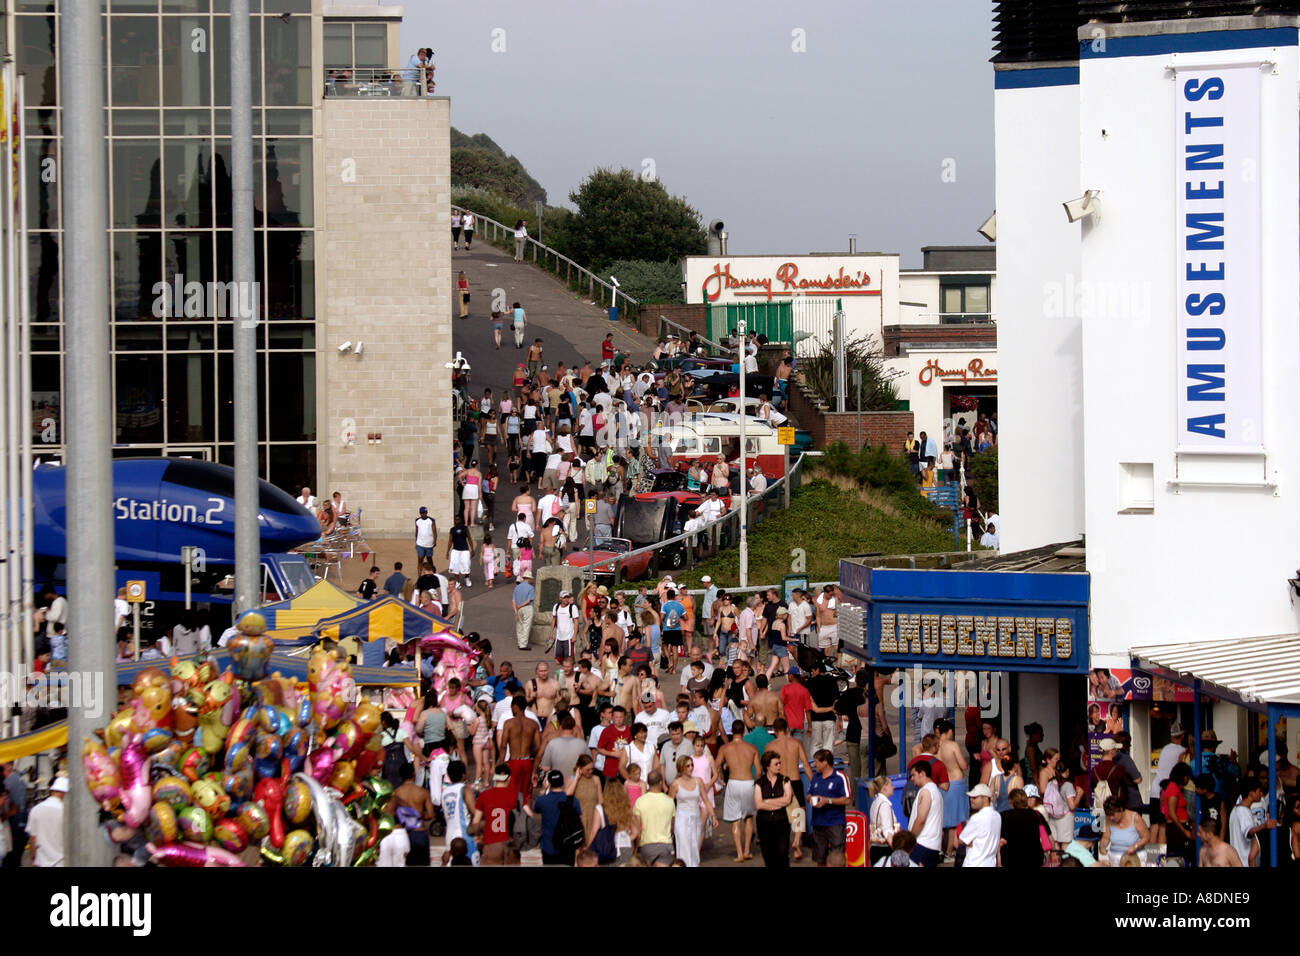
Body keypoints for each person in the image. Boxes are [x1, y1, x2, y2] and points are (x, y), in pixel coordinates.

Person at [718, 720, 760, 861]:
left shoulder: (725, 748)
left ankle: (739, 853)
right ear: (743, 731)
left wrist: (720, 780)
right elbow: (759, 772)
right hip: (748, 782)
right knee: (748, 819)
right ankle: (747, 850)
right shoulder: (752, 748)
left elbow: (715, 765)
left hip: (733, 782)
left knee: (735, 820)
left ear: (732, 730)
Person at [807, 748, 850, 866]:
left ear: (825, 762)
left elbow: (847, 799)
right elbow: (808, 793)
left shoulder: (840, 777)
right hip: (818, 823)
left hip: (835, 823)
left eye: (816, 762)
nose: (814, 765)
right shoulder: (816, 777)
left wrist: (828, 801)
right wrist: (810, 798)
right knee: (819, 858)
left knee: (837, 858)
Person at [753, 750, 793, 868]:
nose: (779, 766)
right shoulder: (759, 783)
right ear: (767, 766)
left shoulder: (785, 780)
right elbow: (758, 805)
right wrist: (778, 802)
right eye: (776, 764)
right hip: (764, 823)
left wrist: (767, 801)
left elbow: (787, 800)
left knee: (783, 853)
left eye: (780, 763)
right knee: (768, 855)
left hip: (781, 822)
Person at [390, 763, 436, 866]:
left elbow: (392, 813)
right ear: (414, 774)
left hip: (403, 833)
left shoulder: (396, 793)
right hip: (419, 831)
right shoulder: (423, 792)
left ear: (400, 775)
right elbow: (431, 815)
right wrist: (418, 815)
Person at [666, 755, 708, 867]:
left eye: (692, 765)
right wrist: (670, 823)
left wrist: (713, 816)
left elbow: (705, 798)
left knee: (694, 848)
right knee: (684, 848)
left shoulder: (698, 781)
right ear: (681, 767)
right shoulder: (675, 784)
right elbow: (670, 805)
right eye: (687, 766)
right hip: (681, 819)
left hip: (695, 818)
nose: (691, 768)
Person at [630, 770, 675, 865]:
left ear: (648, 783)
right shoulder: (669, 801)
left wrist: (635, 849)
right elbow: (671, 827)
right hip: (665, 845)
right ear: (660, 782)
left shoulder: (640, 801)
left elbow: (637, 830)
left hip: (646, 845)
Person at [1229, 776, 1277, 867]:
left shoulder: (1236, 810)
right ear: (1251, 793)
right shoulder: (1243, 811)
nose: (1261, 794)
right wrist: (1264, 826)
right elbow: (1249, 832)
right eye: (1259, 791)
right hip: (1244, 862)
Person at [533, 770, 575, 866]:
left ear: (549, 783)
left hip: (548, 846)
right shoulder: (572, 800)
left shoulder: (542, 800)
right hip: (567, 845)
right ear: (562, 782)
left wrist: (543, 790)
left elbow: (536, 809)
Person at [906, 759, 944, 866]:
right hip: (932, 845)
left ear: (922, 774)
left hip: (922, 844)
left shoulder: (926, 791)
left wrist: (909, 840)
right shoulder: (936, 791)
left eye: (913, 775)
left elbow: (921, 819)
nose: (911, 778)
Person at [26, 775, 67, 867]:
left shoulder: (36, 810)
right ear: (64, 793)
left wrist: (33, 858)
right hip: (62, 862)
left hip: (41, 861)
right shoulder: (66, 812)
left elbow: (33, 839)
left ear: (51, 791)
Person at [999, 788, 1045, 868]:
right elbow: (1048, 835)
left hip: (1010, 859)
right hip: (1034, 859)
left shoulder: (1003, 816)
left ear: (1011, 802)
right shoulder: (1035, 814)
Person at [1099, 795, 1149, 866]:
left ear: (1121, 809)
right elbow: (1106, 837)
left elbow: (1146, 837)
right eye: (1109, 815)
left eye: (1113, 815)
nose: (1111, 818)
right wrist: (1102, 847)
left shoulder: (1135, 818)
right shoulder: (1108, 819)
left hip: (1134, 858)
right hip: (1115, 857)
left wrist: (1135, 846)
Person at [1162, 763, 1195, 866]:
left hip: (1178, 827)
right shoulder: (1173, 789)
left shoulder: (1175, 788)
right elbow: (1172, 813)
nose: (1188, 779)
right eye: (1187, 776)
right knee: (1179, 857)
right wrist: (1184, 830)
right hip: (1177, 829)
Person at [960, 783, 1001, 867]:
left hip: (974, 863)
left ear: (986, 798)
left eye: (975, 797)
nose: (971, 799)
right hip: (990, 863)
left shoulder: (977, 818)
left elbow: (961, 840)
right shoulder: (997, 816)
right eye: (971, 797)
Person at [868, 775, 899, 865]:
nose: (893, 787)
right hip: (885, 850)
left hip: (875, 848)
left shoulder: (875, 802)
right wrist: (897, 849)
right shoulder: (884, 805)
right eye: (891, 785)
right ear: (884, 787)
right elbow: (887, 831)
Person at [511, 570, 534, 651]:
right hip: (527, 608)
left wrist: (515, 610)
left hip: (518, 609)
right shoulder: (531, 588)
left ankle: (520, 642)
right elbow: (528, 600)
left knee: (519, 625)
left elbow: (513, 600)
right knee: (526, 626)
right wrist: (520, 606)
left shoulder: (517, 587)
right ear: (528, 578)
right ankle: (523, 644)